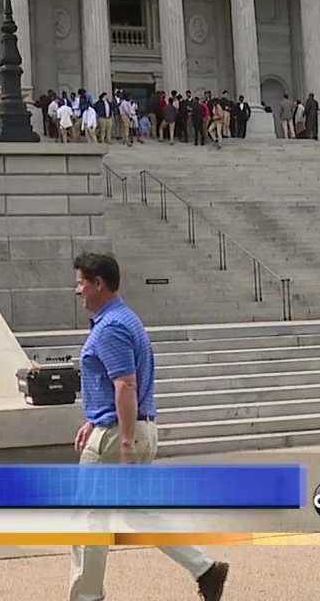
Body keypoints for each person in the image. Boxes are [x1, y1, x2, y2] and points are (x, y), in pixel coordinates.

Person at [68, 253, 230, 601]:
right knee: (138, 513)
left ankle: (87, 597)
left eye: (81, 282)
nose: (77, 289)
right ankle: (205, 569)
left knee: (89, 520)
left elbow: (125, 384)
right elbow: (116, 383)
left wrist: (122, 439)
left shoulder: (111, 328)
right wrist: (93, 419)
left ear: (99, 284)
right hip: (129, 429)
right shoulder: (124, 319)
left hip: (117, 437)